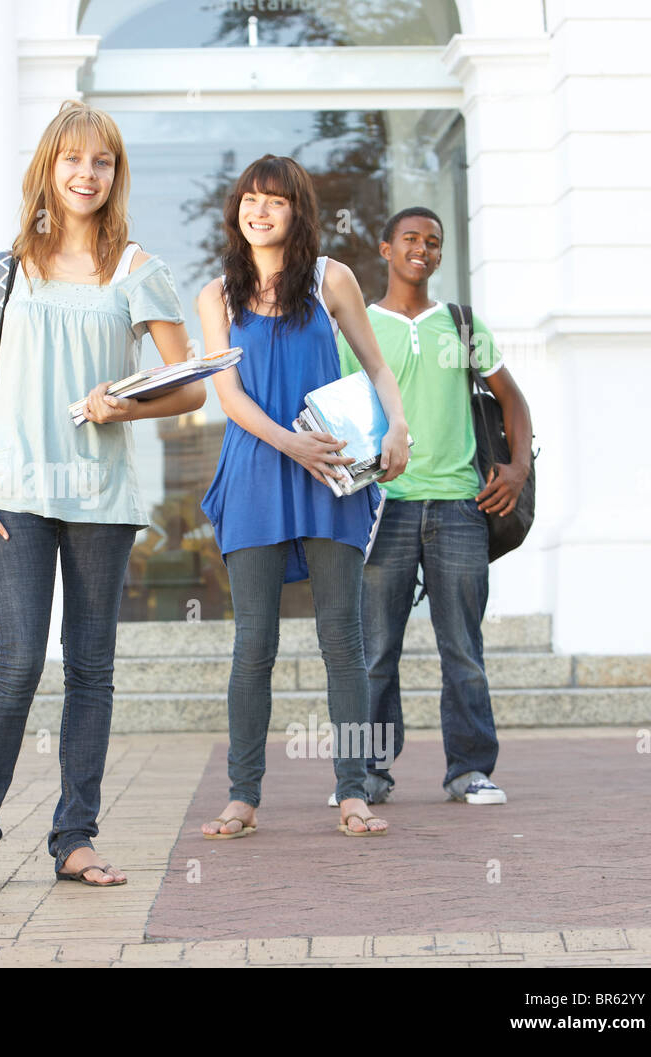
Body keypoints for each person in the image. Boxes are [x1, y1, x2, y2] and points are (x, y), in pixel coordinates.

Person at [0, 101, 204, 892]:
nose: (87, 175)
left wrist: (126, 404)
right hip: (12, 490)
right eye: (73, 161)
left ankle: (75, 838)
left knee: (90, 669)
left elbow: (186, 388)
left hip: (101, 495)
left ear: (115, 175)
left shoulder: (137, 267)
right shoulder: (8, 266)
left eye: (103, 163)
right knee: (17, 663)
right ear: (48, 170)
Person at [198, 155, 410, 839]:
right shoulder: (216, 296)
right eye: (250, 200)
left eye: (276, 201)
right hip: (258, 472)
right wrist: (290, 445)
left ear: (297, 211)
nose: (260, 211)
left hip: (332, 474)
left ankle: (353, 792)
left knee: (342, 638)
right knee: (253, 642)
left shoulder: (331, 278)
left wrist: (399, 425)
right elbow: (226, 397)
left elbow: (377, 365)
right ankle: (243, 794)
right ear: (237, 211)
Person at [336, 206, 532, 805]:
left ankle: (470, 769)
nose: (423, 249)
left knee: (463, 650)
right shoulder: (358, 326)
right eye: (411, 239)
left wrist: (518, 468)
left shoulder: (463, 324)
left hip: (458, 508)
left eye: (434, 242)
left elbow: (512, 400)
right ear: (385, 248)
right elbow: (343, 414)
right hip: (382, 509)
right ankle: (365, 775)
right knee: (373, 653)